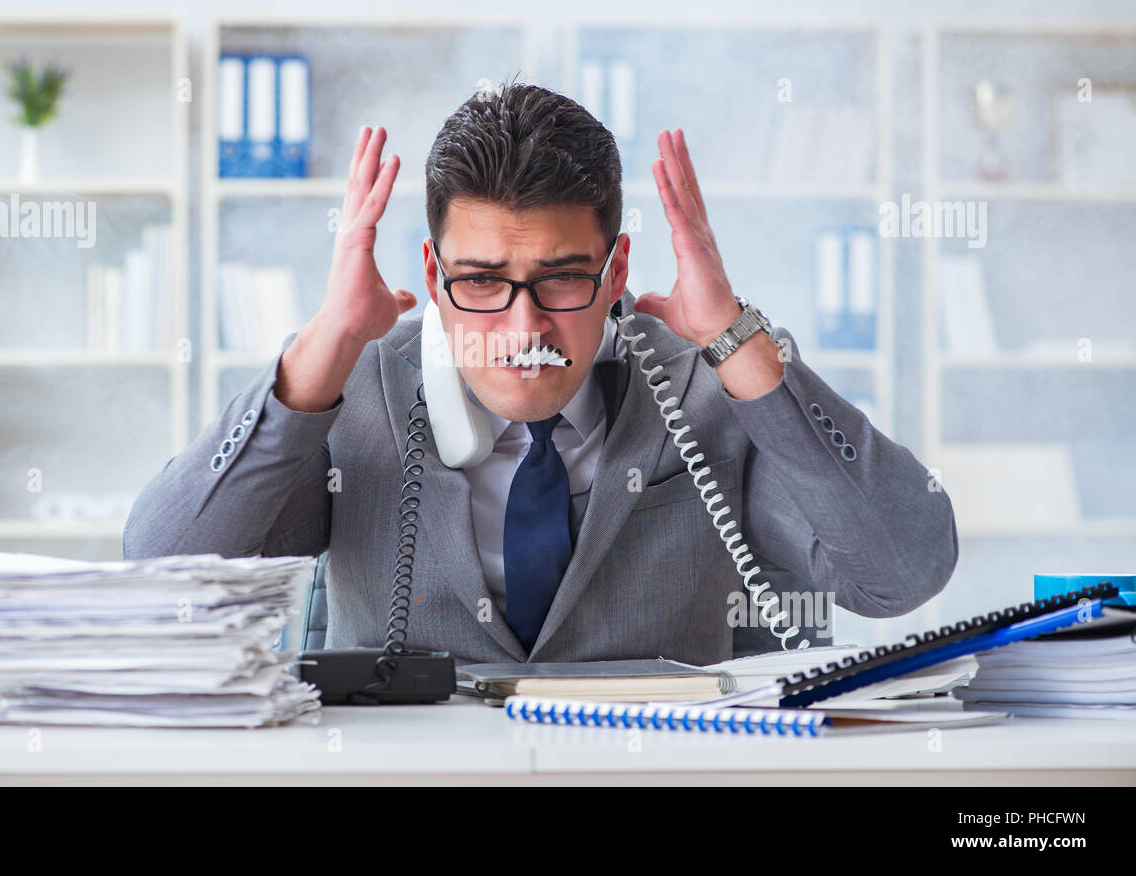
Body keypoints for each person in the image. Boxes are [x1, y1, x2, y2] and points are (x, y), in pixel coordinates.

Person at [123, 80, 957, 666]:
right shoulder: (349, 396)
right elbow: (161, 577)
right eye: (481, 281)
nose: (525, 330)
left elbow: (904, 573)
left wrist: (740, 344)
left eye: (561, 278)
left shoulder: (710, 388)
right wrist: (320, 351)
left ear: (617, 269)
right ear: (433, 270)